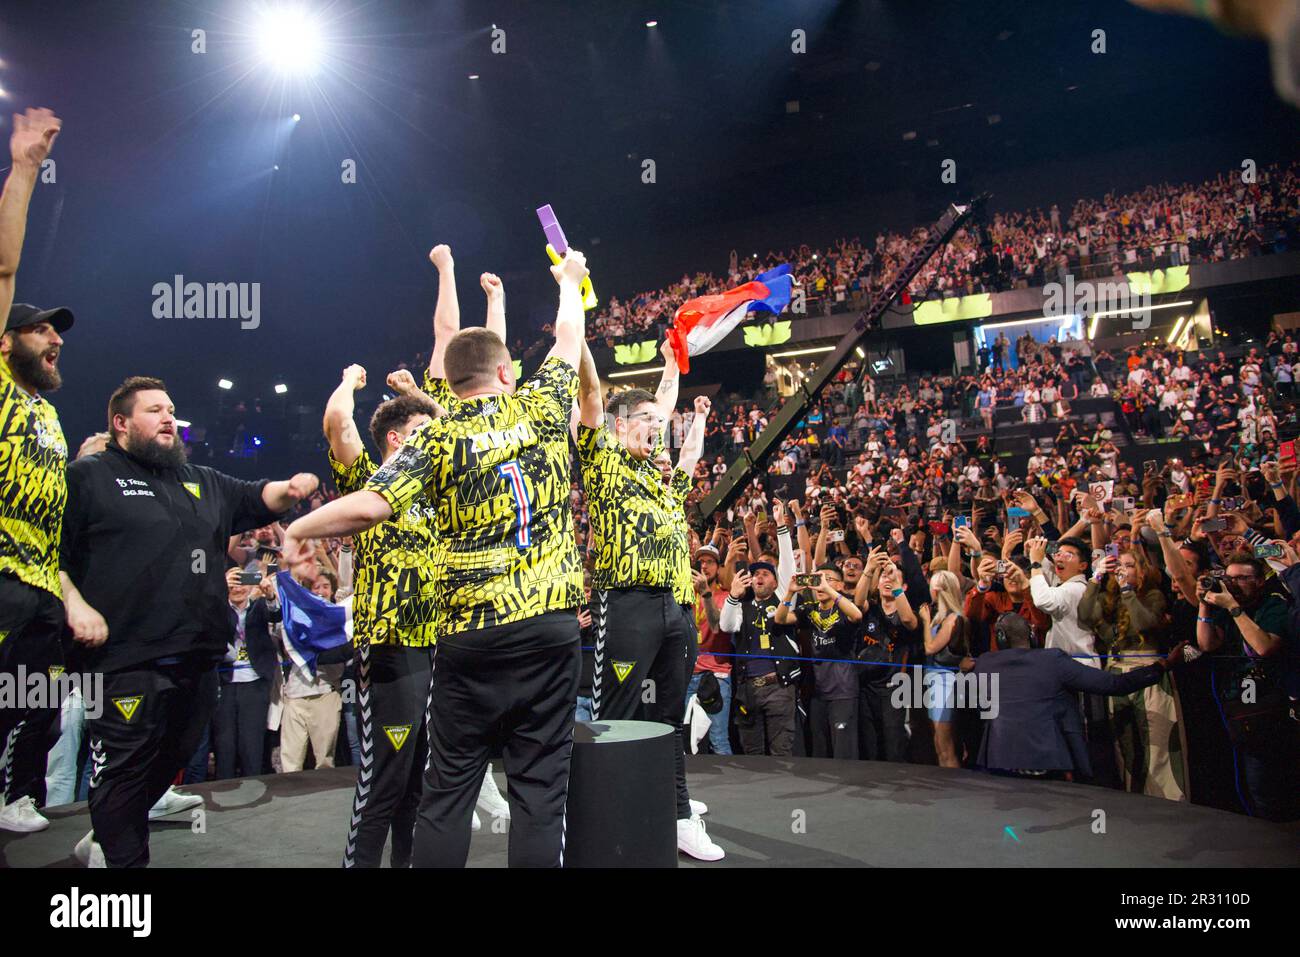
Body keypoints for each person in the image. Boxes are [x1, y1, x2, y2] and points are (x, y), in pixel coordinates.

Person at [280, 249, 589, 868]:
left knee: (446, 794)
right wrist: (572, 280)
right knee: (539, 797)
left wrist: (298, 530)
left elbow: (368, 507)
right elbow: (568, 334)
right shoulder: (542, 407)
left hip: (468, 639)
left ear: (449, 384)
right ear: (506, 373)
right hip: (550, 629)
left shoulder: (437, 439)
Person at [59, 376, 319, 867]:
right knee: (124, 770)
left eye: (171, 410)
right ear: (120, 423)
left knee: (169, 759)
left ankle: (103, 840)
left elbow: (260, 496)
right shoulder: (89, 477)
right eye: (154, 410)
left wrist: (293, 488)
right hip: (125, 658)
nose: (167, 418)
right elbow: (51, 552)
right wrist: (74, 602)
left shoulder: (201, 479)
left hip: (198, 656)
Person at [574, 335, 723, 861]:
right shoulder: (602, 463)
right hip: (628, 604)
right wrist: (579, 342)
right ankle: (600, 818)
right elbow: (590, 394)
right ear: (617, 425)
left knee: (669, 718)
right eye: (644, 419)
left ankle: (677, 814)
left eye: (659, 423)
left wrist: (671, 365)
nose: (656, 426)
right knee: (613, 715)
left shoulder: (663, 483)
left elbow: (687, 447)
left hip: (678, 609)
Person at [0, 107, 68, 835]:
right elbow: (3, 266)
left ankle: (16, 794)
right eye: (43, 327)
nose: (55, 338)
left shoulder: (46, 412)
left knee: (41, 701)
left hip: (41, 581)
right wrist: (23, 170)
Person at [968, 613, 1186, 778]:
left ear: (1000, 637)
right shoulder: (1053, 660)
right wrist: (1163, 665)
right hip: (1048, 762)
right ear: (1032, 634)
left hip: (998, 761)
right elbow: (1114, 684)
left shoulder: (984, 663)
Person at [775, 564, 862, 758]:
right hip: (817, 691)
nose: (821, 585)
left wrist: (828, 588)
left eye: (827, 578)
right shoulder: (809, 609)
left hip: (843, 691)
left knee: (843, 750)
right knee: (819, 749)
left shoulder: (844, 606)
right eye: (818, 580)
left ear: (839, 585)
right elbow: (780, 619)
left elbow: (857, 615)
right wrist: (789, 593)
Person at [214, 565, 281, 780]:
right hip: (224, 683)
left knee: (251, 743)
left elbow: (276, 615)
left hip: (255, 683)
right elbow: (207, 618)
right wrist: (220, 588)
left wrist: (270, 594)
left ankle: (253, 787)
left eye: (243, 583)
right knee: (225, 744)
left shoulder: (259, 606)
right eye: (234, 583)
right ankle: (224, 787)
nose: (238, 589)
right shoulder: (218, 610)